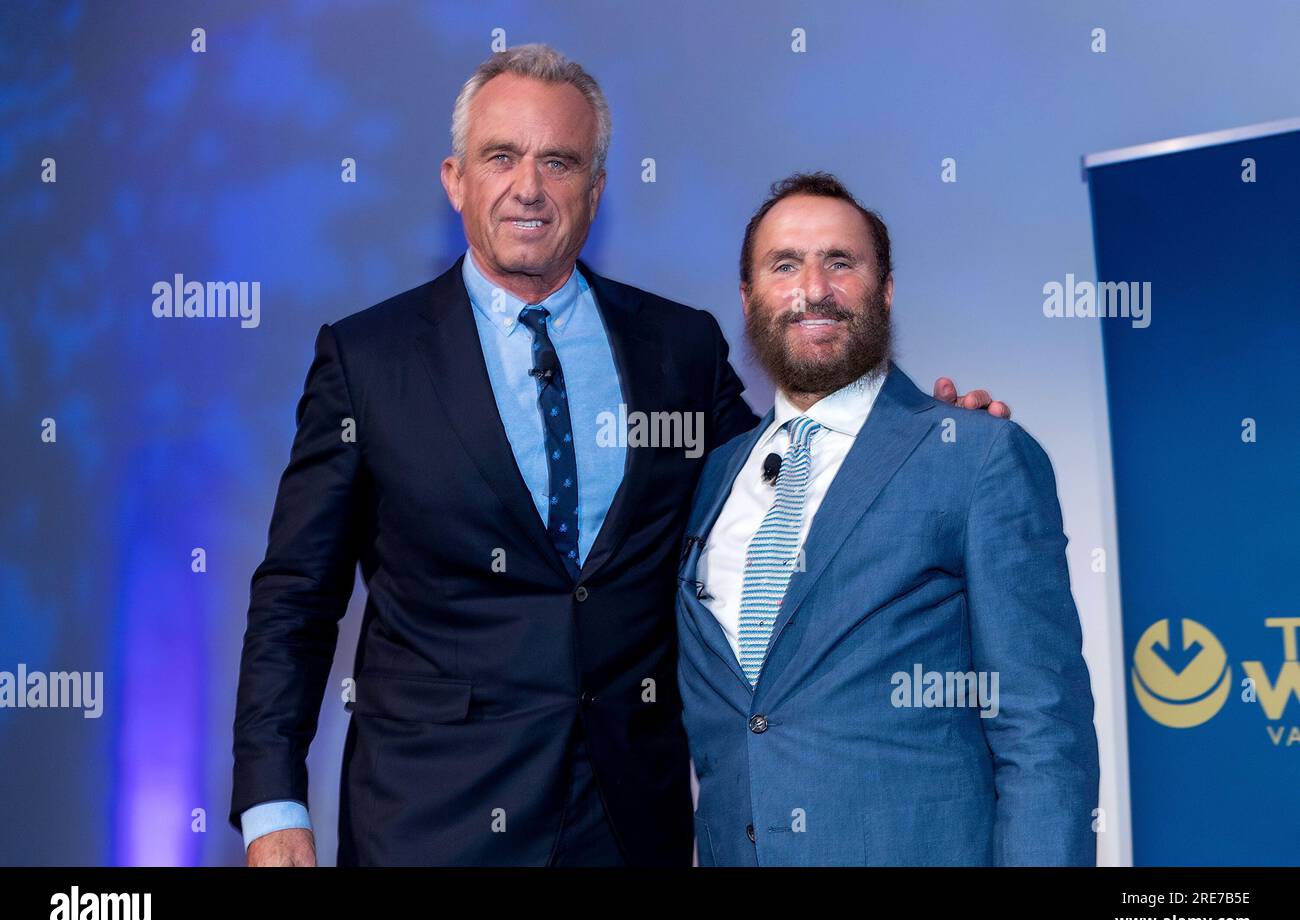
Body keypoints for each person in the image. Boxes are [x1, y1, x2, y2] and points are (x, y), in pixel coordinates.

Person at [230, 45, 1008, 866]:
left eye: (558, 162)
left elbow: (787, 479)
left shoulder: (678, 347)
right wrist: (272, 805)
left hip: (632, 823)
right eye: (502, 157)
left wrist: (925, 438)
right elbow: (295, 598)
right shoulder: (367, 360)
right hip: (432, 823)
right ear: (456, 179)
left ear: (595, 190)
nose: (529, 186)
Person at [677, 172, 1099, 866]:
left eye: (840, 262)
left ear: (887, 290)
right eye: (785, 265)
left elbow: (1042, 733)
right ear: (749, 300)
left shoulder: (977, 455)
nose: (814, 288)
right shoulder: (714, 477)